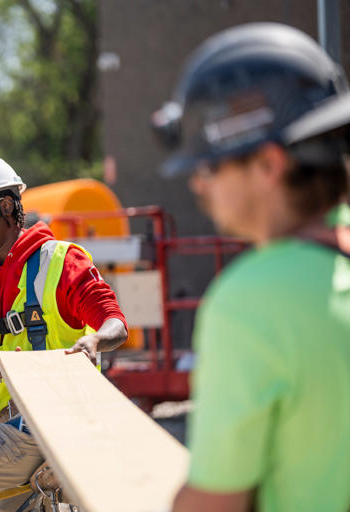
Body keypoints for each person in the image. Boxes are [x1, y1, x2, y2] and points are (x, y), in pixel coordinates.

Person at [151, 22, 350, 512]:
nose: (199, 186)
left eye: (209, 166)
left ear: (268, 165)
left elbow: (216, 501)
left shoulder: (253, 300)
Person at [0, 154, 128, 511]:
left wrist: (95, 340)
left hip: (67, 415)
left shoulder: (61, 261)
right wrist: (0, 368)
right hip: (15, 429)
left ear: (6, 206)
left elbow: (114, 321)